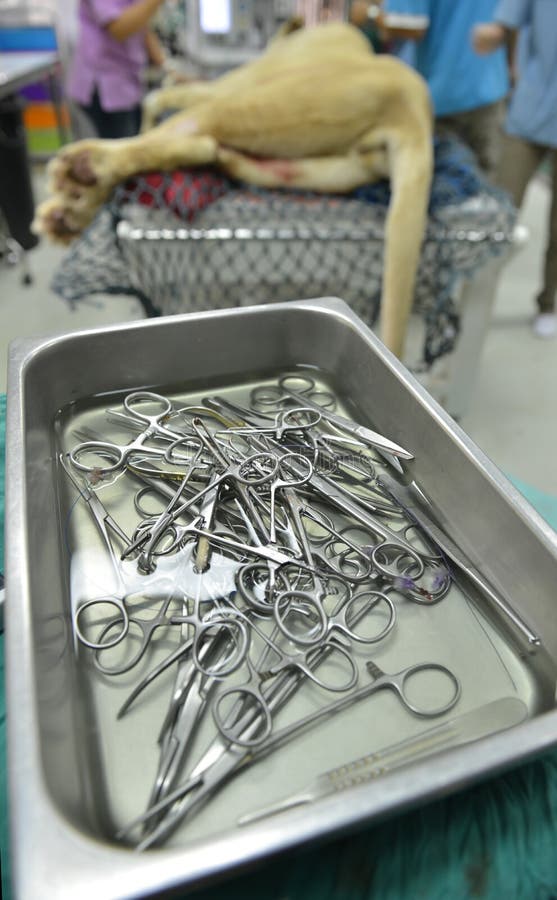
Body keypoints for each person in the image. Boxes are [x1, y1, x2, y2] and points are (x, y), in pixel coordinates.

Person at [473, 2, 557, 339]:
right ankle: (471, 302)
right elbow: (504, 23)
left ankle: (548, 304)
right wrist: (494, 40)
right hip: (529, 110)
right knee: (498, 214)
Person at [376, 0, 510, 176]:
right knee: (484, 181)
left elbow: (409, 24)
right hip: (490, 88)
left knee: (436, 180)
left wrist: (370, 13)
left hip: (442, 99)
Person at [68, 0, 168, 139]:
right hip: (106, 86)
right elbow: (119, 29)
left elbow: (141, 23)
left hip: (128, 82)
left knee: (135, 140)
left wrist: (167, 67)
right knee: (123, 146)